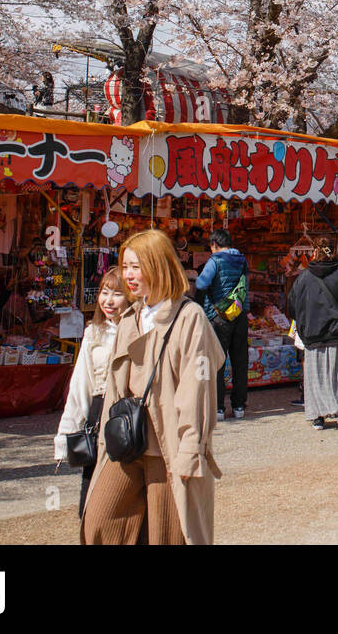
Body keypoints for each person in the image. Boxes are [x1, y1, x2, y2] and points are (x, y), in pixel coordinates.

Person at [82, 229, 224, 544]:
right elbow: (114, 388)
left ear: (159, 265)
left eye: (137, 266)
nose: (128, 275)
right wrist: (105, 438)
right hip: (127, 436)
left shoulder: (190, 317)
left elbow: (197, 392)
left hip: (168, 442)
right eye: (126, 265)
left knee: (167, 534)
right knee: (99, 520)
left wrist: (191, 449)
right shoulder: (130, 316)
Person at [55, 267, 127, 515]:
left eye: (117, 294)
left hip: (129, 417)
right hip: (98, 416)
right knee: (92, 502)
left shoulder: (144, 331)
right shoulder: (94, 332)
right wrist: (66, 435)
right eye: (105, 292)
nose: (108, 300)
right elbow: (79, 386)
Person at [288, 238, 338, 431]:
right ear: (334, 252)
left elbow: (291, 306)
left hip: (312, 334)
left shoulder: (304, 277)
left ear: (315, 253)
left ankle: (318, 416)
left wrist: (305, 324)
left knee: (316, 376)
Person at [194, 228, 249, 421]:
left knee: (217, 361)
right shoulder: (242, 260)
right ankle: (239, 406)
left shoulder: (215, 261)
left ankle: (218, 407)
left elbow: (201, 285)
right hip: (240, 315)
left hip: (220, 317)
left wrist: (198, 308)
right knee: (240, 360)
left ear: (214, 244)